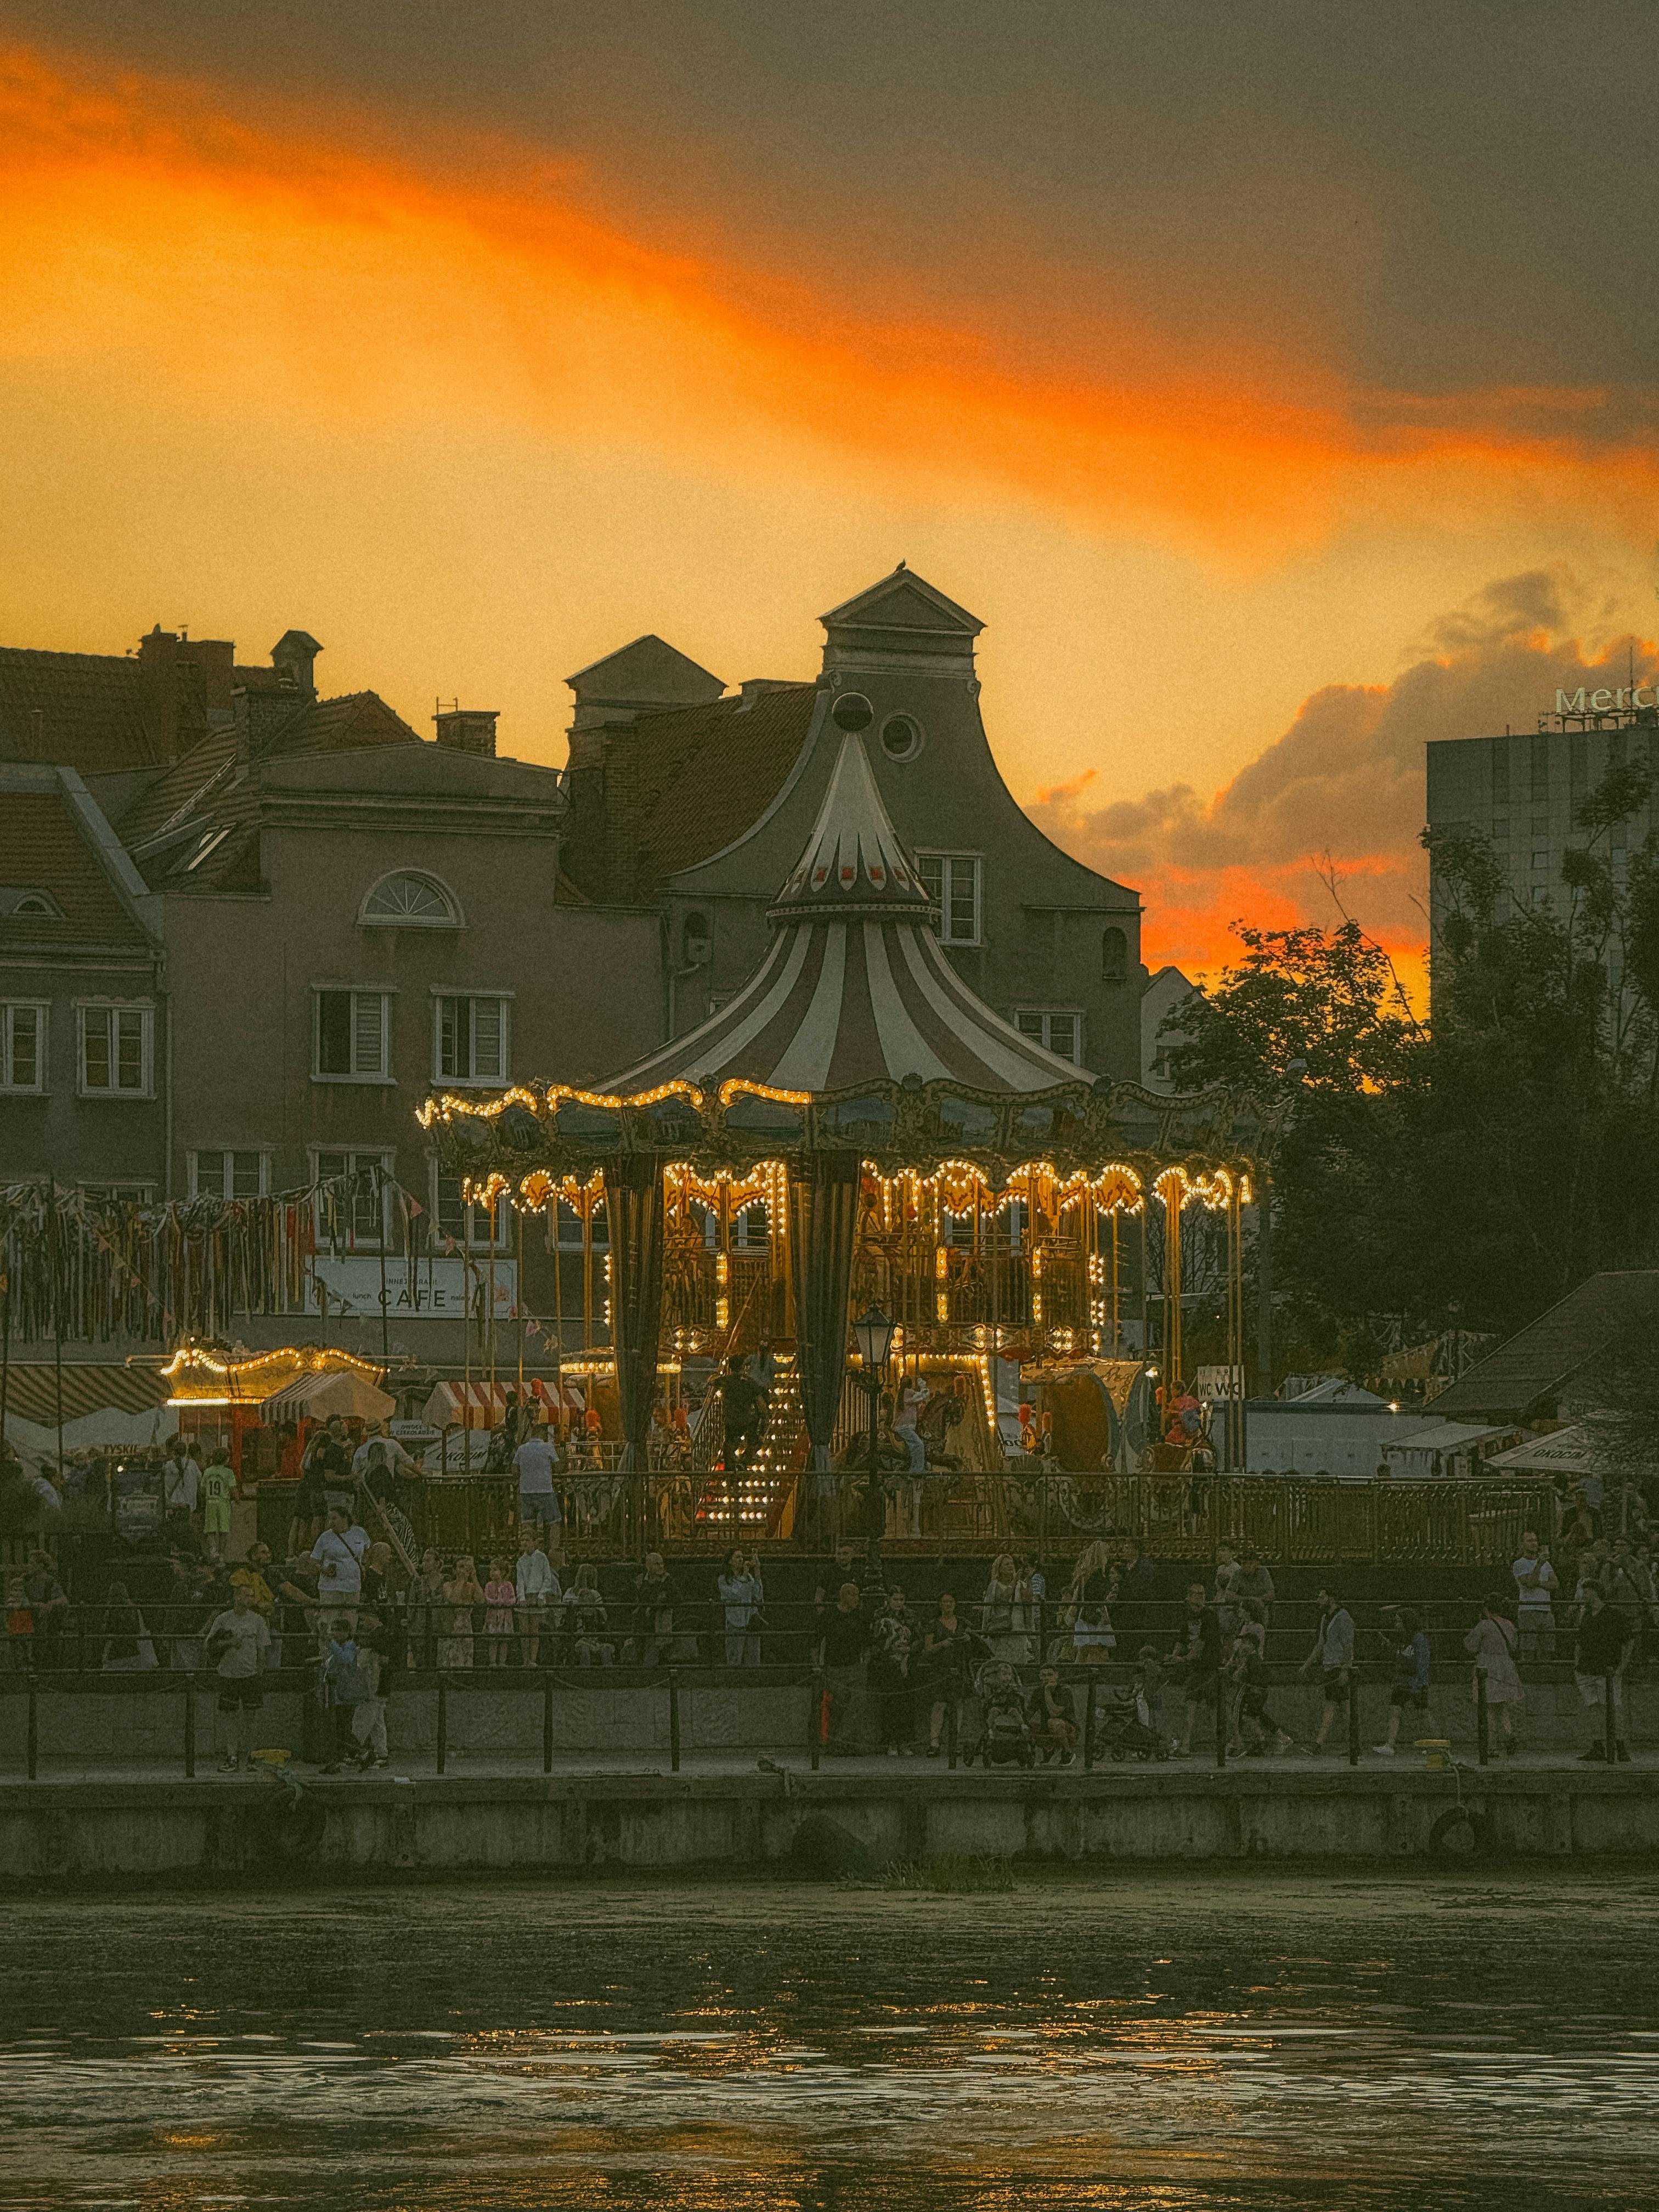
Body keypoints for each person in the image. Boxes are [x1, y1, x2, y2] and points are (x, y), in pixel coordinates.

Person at [202, 1581, 272, 1771]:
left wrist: (260, 1671)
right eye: (247, 1595)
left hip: (250, 1675)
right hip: (228, 1675)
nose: (250, 1599)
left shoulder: (257, 1620)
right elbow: (210, 1645)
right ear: (237, 1597)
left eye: (252, 1596)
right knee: (230, 1718)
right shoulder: (223, 1619)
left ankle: (251, 1757)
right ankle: (231, 1756)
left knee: (251, 1718)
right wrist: (229, 1643)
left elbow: (262, 1649)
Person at [1574, 1583, 1635, 1762]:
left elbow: (1628, 1641)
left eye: (1587, 1592)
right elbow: (1580, 1641)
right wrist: (1576, 1663)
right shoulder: (1586, 1615)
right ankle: (1599, 1745)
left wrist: (1622, 1667)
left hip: (1607, 1669)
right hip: (1587, 1669)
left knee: (1613, 1708)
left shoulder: (1614, 1615)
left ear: (1595, 1593)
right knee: (1594, 1709)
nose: (1584, 1595)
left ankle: (1620, 1746)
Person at [1167, 1580, 1223, 1756]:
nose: (1200, 1598)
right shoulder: (1186, 1616)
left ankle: (1196, 1745)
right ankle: (1188, 1745)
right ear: (1189, 1597)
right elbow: (1182, 1638)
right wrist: (1174, 1655)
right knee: (1195, 1706)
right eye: (1197, 1594)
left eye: (1202, 1595)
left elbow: (1202, 1643)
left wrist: (1184, 1659)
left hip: (1209, 1666)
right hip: (1197, 1668)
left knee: (1211, 1708)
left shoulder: (1209, 1616)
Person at [1464, 1594, 1523, 1755]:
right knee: (1502, 1707)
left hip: (1488, 1667)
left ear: (1486, 1609)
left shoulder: (1484, 1625)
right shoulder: (1510, 1625)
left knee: (1488, 1707)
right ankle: (1509, 1734)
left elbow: (1471, 1646)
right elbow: (1515, 1644)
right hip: (1506, 1667)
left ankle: (1492, 1746)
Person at [1301, 1587, 1356, 1753]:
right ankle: (1353, 1743)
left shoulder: (1343, 1618)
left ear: (1331, 1599)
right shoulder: (1326, 1618)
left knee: (1334, 1707)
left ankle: (1319, 1743)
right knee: (1342, 1708)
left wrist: (1345, 1669)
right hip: (1330, 1666)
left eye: (1322, 1597)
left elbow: (1348, 1646)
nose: (1319, 1600)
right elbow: (1320, 1644)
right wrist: (1307, 1664)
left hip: (1338, 1666)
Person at [816, 1582, 869, 1754]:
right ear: (843, 1596)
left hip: (855, 1666)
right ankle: (836, 1742)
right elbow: (817, 1640)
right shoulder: (829, 1615)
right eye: (853, 1595)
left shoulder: (860, 1616)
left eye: (857, 1595)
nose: (857, 1599)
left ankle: (849, 1741)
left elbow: (866, 1642)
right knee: (838, 1706)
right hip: (834, 1667)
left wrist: (864, 1664)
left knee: (857, 1704)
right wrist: (818, 1666)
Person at [1373, 1606, 1431, 1755]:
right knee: (1395, 1710)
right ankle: (1390, 1744)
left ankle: (1430, 1744)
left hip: (1415, 1680)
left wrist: (1420, 1683)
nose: (1396, 1624)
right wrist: (1389, 1647)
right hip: (1403, 1680)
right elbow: (1401, 1655)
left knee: (1422, 1714)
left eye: (1399, 1621)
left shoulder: (1418, 1638)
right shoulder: (1403, 1638)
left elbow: (1423, 1661)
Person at [920, 1592, 972, 1757]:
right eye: (945, 1602)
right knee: (939, 1705)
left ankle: (954, 1742)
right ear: (940, 1605)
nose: (948, 1605)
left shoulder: (963, 1623)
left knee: (958, 1704)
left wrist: (967, 1639)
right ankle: (934, 1743)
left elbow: (974, 1641)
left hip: (960, 1668)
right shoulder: (933, 1625)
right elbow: (927, 1649)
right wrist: (942, 1644)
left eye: (951, 1602)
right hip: (940, 1669)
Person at [867, 1585, 917, 1755]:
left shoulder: (910, 1615)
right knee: (889, 1705)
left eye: (901, 1600)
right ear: (888, 1599)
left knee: (906, 1704)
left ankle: (905, 1742)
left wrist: (910, 1650)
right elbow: (875, 1640)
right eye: (895, 1599)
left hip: (907, 1663)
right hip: (888, 1664)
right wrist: (891, 1649)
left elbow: (918, 1637)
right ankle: (890, 1742)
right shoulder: (880, 1615)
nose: (899, 1603)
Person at [311, 1505, 368, 1631]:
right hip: (331, 1588)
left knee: (351, 1623)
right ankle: (327, 1650)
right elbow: (314, 1560)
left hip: (352, 1587)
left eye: (334, 1518)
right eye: (329, 1519)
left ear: (345, 1518)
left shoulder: (360, 1533)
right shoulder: (325, 1537)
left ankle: (348, 1650)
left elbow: (368, 1550)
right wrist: (323, 1569)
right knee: (329, 1623)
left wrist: (363, 1565)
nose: (331, 1522)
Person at [350, 1607, 394, 1768]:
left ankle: (355, 1752)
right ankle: (382, 1754)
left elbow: (376, 1664)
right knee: (377, 1721)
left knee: (363, 1718)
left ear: (372, 1617)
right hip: (382, 1684)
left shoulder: (378, 1637)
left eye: (363, 1619)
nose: (361, 1623)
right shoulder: (384, 1634)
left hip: (374, 1685)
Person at [512, 1420, 563, 1552]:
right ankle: (553, 1550)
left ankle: (528, 1550)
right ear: (543, 1435)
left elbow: (514, 1470)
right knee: (554, 1522)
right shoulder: (548, 1447)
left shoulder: (522, 1449)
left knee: (528, 1523)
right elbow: (558, 1468)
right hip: (545, 1490)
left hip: (526, 1491)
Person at [713, 1356, 769, 1471]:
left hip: (731, 1418)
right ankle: (744, 1461)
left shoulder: (727, 1381)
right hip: (747, 1418)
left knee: (730, 1443)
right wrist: (766, 1416)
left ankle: (730, 1467)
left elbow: (711, 1381)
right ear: (743, 1367)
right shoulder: (749, 1382)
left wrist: (719, 1375)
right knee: (755, 1442)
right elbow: (761, 1403)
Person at [1066, 1540, 1116, 1666]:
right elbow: (1098, 1600)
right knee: (1097, 1650)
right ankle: (1090, 1678)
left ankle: (1078, 1676)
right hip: (1095, 1617)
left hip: (1084, 1614)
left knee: (1083, 1651)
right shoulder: (1099, 1576)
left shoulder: (1085, 1574)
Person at [1511, 1531, 1559, 1661]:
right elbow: (1529, 1583)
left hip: (1546, 1609)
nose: (1533, 1544)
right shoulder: (1519, 1564)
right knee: (1528, 1648)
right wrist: (1538, 1566)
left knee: (1547, 1648)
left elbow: (1555, 1584)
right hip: (1528, 1610)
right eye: (1529, 1541)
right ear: (1522, 1544)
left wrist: (1539, 1583)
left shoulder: (1547, 1564)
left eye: (1535, 1540)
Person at [515, 1534, 559, 1668]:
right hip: (525, 1597)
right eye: (523, 1540)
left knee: (534, 1629)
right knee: (524, 1631)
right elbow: (520, 1581)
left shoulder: (542, 1558)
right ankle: (525, 1660)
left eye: (527, 1540)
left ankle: (533, 1660)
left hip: (537, 1596)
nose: (525, 1543)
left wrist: (541, 1595)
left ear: (535, 1542)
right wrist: (521, 1597)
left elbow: (547, 1578)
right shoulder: (521, 1561)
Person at [627, 1553, 678, 1666]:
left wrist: (660, 1604)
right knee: (638, 1653)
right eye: (657, 1564)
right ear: (648, 1566)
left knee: (652, 1656)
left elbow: (677, 1599)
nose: (661, 1566)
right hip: (640, 1623)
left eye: (662, 1563)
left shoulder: (668, 1580)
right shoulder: (640, 1580)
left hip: (657, 1623)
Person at [717, 1545, 765, 1667]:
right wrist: (744, 1575)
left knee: (753, 1658)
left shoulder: (749, 1577)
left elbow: (758, 1595)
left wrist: (757, 1572)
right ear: (730, 1561)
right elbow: (736, 1594)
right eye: (738, 1557)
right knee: (734, 1658)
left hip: (749, 1620)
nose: (741, 1560)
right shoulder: (724, 1580)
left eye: (742, 1557)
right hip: (735, 1621)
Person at [562, 1561, 614, 1664]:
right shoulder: (595, 1594)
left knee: (604, 1649)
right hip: (578, 1635)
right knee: (584, 1648)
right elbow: (605, 1617)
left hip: (589, 1635)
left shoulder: (569, 1592)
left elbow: (563, 1614)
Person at [1026, 1663, 1078, 1765]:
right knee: (1028, 1727)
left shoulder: (1064, 1690)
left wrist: (1047, 1692)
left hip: (1068, 1728)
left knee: (1054, 1723)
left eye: (1050, 1675)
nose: (1047, 1678)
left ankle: (1068, 1752)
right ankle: (1049, 1749)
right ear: (1040, 1677)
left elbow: (1055, 1713)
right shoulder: (1038, 1692)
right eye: (1044, 1675)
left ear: (1056, 1676)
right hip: (1047, 1727)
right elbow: (1030, 1712)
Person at [981, 1553, 1027, 1662]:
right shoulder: (994, 1585)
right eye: (1007, 1564)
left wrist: (1028, 1579)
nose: (1011, 1566)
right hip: (1001, 1627)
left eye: (1012, 1564)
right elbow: (1003, 1599)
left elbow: (1028, 1599)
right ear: (1000, 1569)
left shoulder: (1020, 1584)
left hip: (1018, 1627)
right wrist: (1014, 1581)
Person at [438, 1556, 483, 1668]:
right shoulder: (448, 1585)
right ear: (454, 1570)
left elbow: (481, 1600)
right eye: (461, 1567)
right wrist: (462, 1580)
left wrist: (474, 1577)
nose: (464, 1570)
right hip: (450, 1627)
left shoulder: (472, 1587)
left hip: (466, 1628)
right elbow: (453, 1600)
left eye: (466, 1567)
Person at [100, 1580, 155, 1671]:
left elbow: (111, 1634)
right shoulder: (133, 1609)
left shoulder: (111, 1610)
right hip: (133, 1650)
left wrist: (105, 1654)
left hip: (115, 1652)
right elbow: (138, 1630)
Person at [199, 1446, 236, 1560]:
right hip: (223, 1503)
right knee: (223, 1530)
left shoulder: (208, 1471)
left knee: (211, 1530)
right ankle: (221, 1554)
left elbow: (203, 1489)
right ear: (226, 1459)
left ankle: (213, 1550)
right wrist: (237, 1499)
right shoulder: (229, 1472)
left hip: (210, 1503)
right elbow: (233, 1489)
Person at [161, 1436, 200, 1529]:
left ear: (174, 1452)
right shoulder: (192, 1464)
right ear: (186, 1452)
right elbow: (199, 1478)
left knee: (173, 1526)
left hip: (174, 1504)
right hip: (189, 1503)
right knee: (187, 1526)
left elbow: (165, 1484)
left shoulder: (168, 1466)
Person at [482, 1558, 516, 1666]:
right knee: (493, 1641)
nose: (492, 1573)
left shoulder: (508, 1585)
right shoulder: (489, 1585)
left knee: (504, 1641)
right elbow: (486, 1598)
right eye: (491, 1570)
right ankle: (492, 1662)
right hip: (493, 1615)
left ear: (503, 1572)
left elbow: (513, 1599)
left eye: (495, 1570)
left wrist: (506, 1602)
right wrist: (495, 1602)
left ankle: (502, 1662)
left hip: (505, 1616)